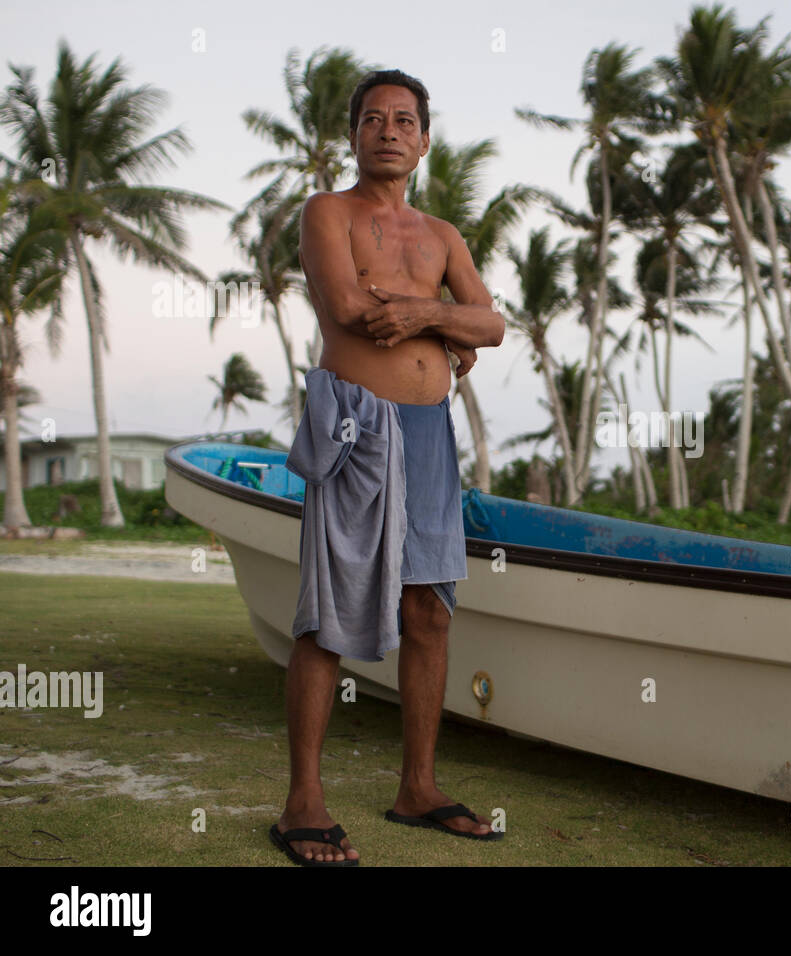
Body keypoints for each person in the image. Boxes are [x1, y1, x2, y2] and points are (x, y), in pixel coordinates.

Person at [269, 68, 505, 866]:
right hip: (355, 427)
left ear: (426, 139)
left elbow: (493, 322)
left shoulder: (441, 236)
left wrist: (434, 316)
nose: (390, 131)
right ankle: (302, 799)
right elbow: (348, 310)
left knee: (429, 610)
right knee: (326, 612)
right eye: (374, 119)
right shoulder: (327, 212)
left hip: (430, 431)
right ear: (353, 136)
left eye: (405, 120)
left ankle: (419, 787)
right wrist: (447, 329)